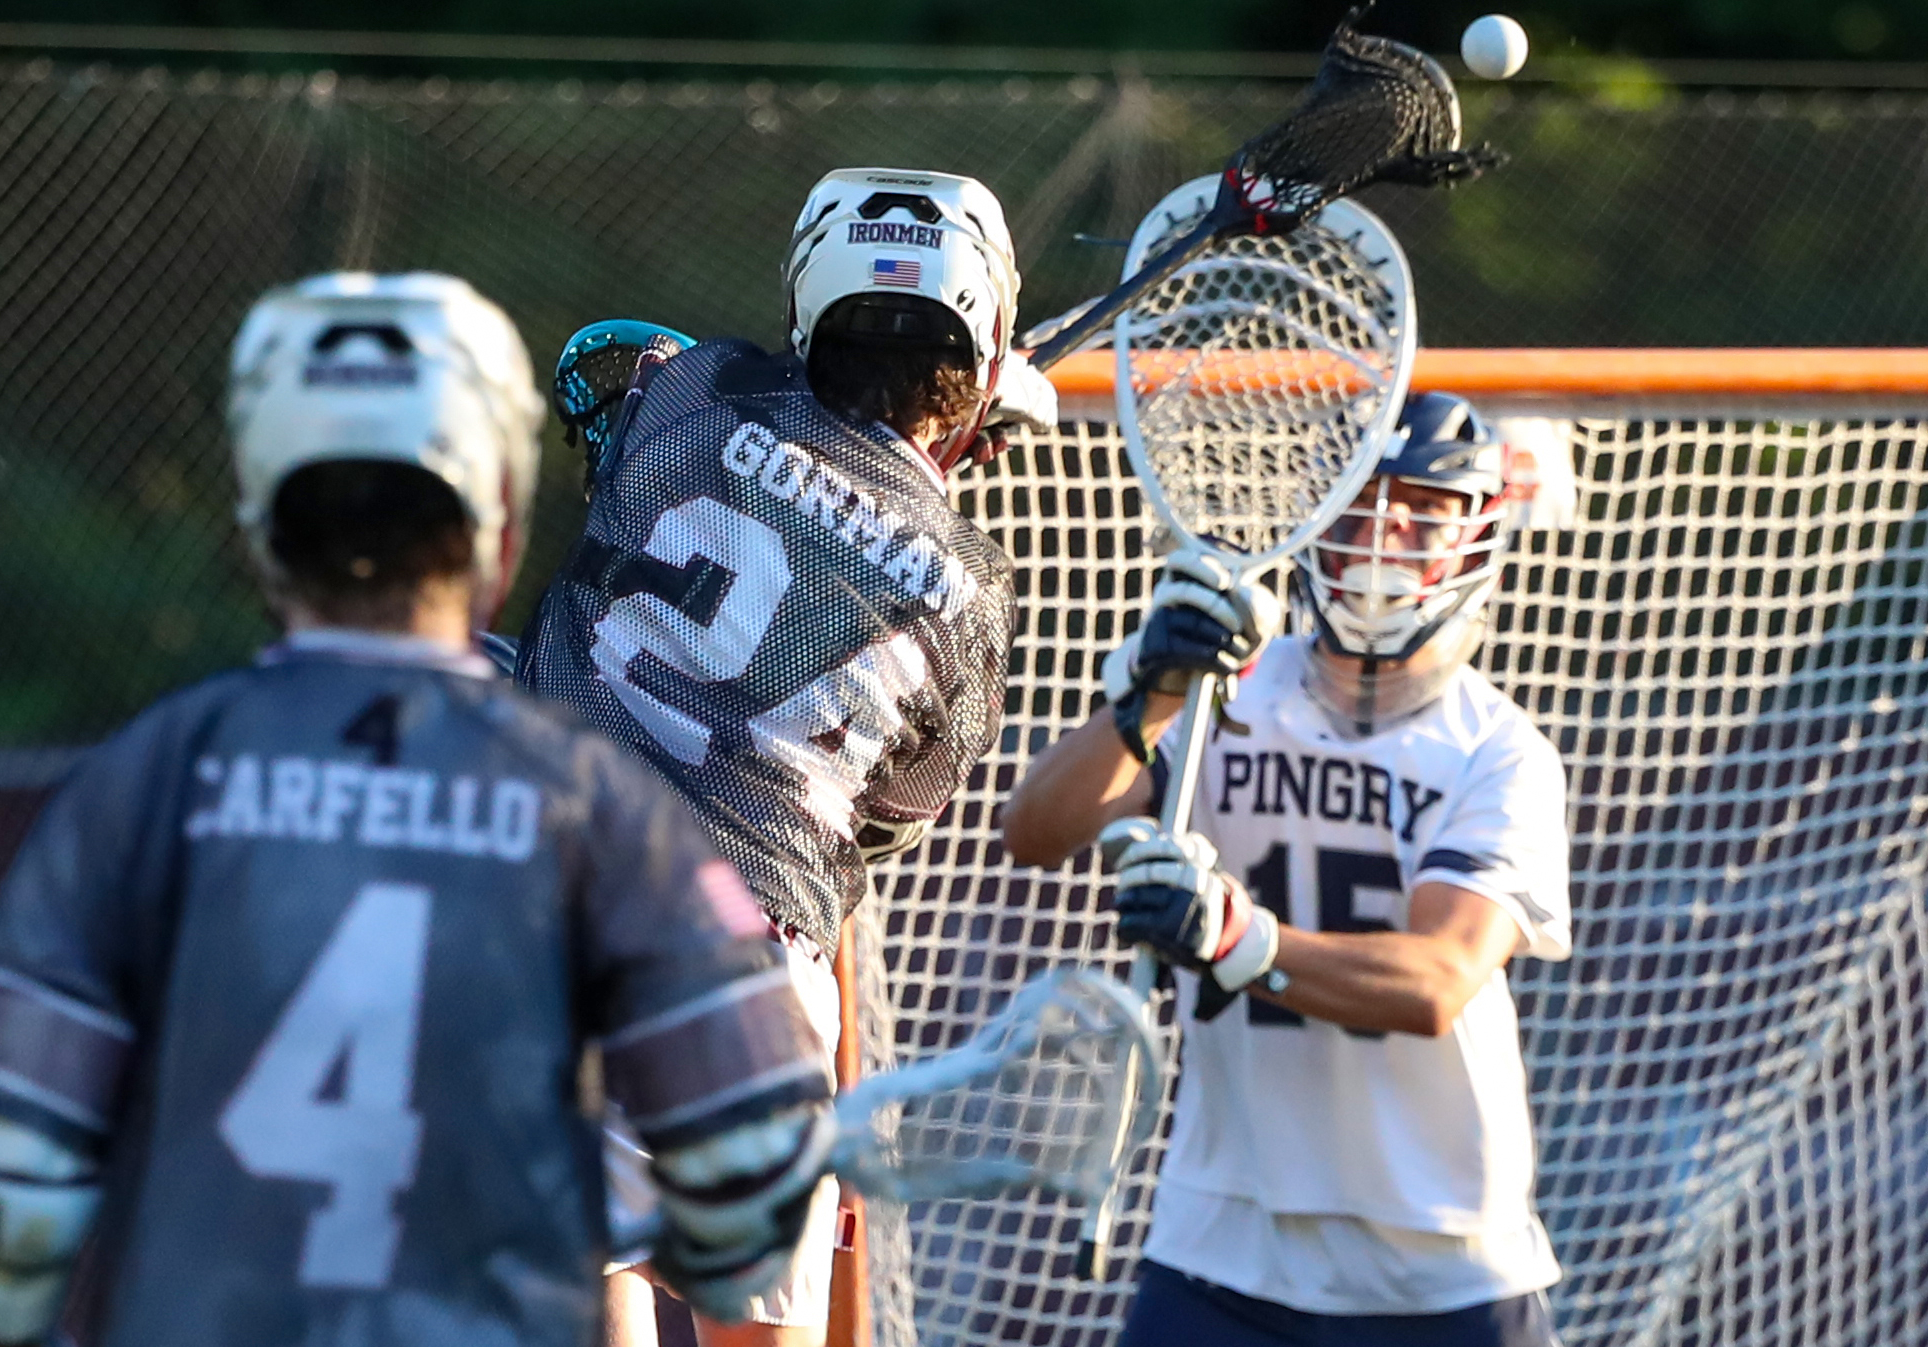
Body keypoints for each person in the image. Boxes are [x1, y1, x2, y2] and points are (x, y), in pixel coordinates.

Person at [0, 272, 835, 1347]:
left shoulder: (144, 785)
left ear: (258, 526)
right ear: (503, 528)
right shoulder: (606, 814)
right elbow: (745, 1220)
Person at [515, 168, 1053, 1347]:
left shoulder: (696, 394)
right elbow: (900, 810)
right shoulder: (968, 587)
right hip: (755, 959)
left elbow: (704, 418)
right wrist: (929, 478)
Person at [1004, 393, 1572, 1347]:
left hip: (1434, 1255)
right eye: (1360, 506)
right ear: (1314, 516)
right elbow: (1034, 831)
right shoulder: (1231, 681)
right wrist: (1151, 695)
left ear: (1476, 534)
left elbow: (1436, 982)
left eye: (1422, 510)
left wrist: (1237, 936)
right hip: (1226, 1235)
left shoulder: (1499, 751)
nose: (1385, 538)